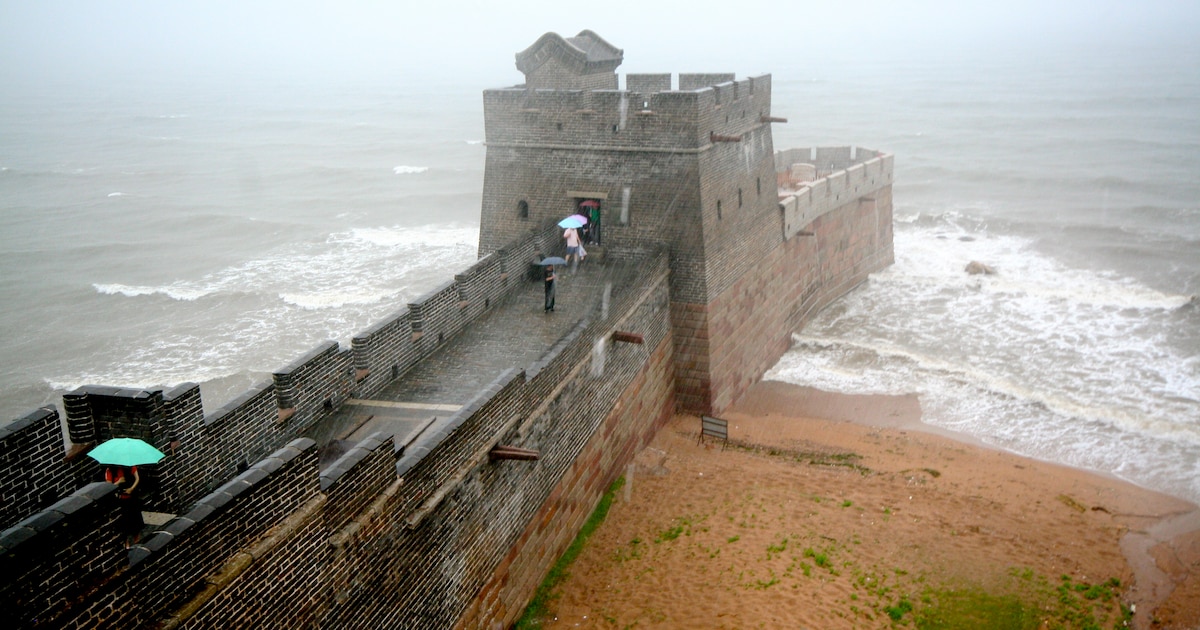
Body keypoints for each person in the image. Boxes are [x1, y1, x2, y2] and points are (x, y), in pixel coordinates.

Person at [106, 465, 143, 548]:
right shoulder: (110, 470)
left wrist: (131, 488)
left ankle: (136, 539)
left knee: (135, 518)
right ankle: (126, 542)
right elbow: (108, 486)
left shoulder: (129, 466)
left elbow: (137, 478)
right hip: (120, 500)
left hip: (131, 497)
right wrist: (118, 482)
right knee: (124, 521)